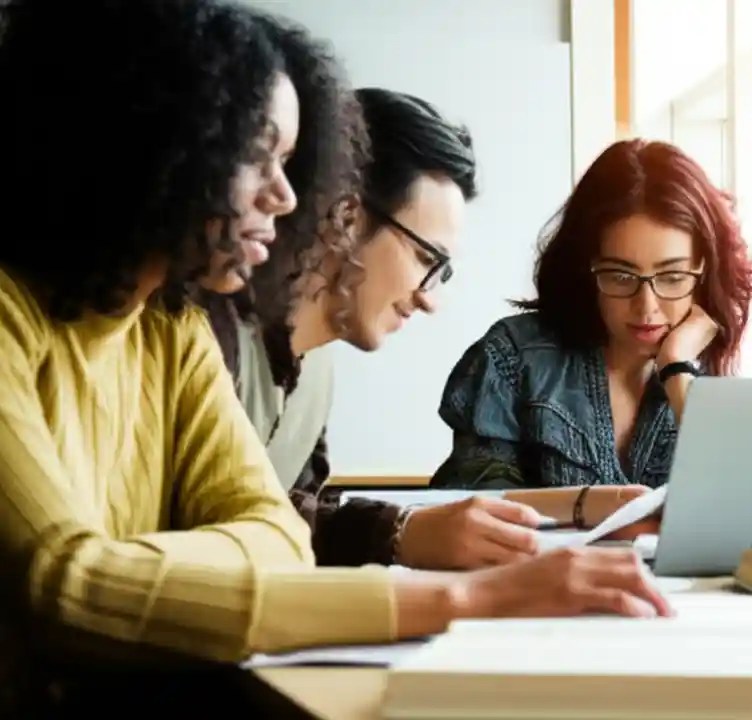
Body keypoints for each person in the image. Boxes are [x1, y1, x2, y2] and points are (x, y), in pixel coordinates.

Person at [0, 0, 668, 711]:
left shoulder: (172, 329)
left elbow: (283, 537)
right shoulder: (20, 319)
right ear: (163, 139)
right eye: (260, 155)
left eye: (290, 163)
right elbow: (61, 581)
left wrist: (137, 566)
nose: (288, 196)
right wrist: (466, 596)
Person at [207, 85, 661, 570]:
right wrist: (404, 538)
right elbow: (228, 531)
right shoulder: (207, 343)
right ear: (345, 218)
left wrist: (579, 502)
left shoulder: (315, 365)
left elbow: (297, 521)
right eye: (427, 258)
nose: (429, 298)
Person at [430, 139, 752, 495]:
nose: (647, 306)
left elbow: (739, 506)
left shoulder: (712, 376)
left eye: (672, 277)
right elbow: (482, 509)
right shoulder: (513, 358)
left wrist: (677, 369)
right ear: (585, 269)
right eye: (620, 276)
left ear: (704, 272)